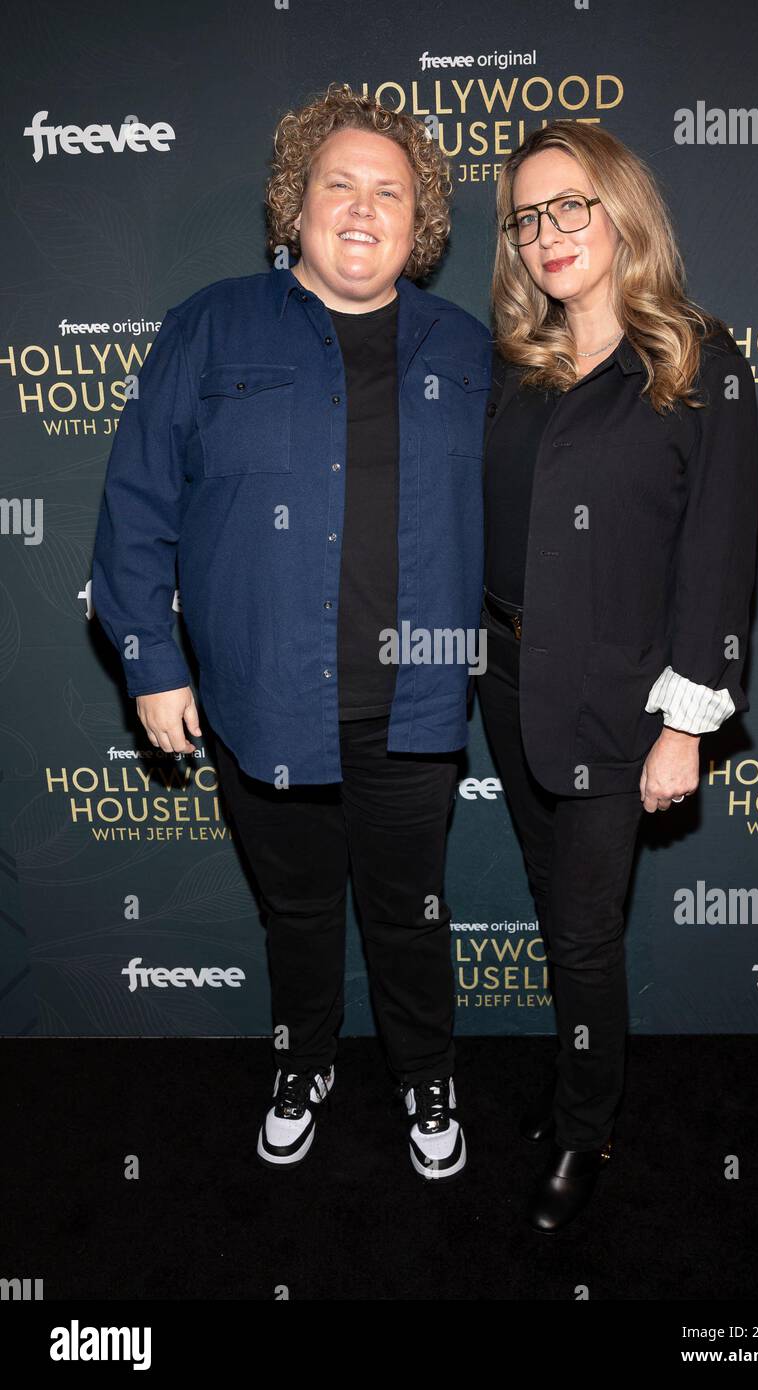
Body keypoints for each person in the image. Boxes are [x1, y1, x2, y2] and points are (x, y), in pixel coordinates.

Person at [91, 83, 492, 1182]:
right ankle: (299, 1060)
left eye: (389, 192)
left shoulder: (469, 350)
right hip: (261, 694)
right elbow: (135, 504)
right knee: (299, 912)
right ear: (294, 205)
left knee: (410, 916)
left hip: (414, 701)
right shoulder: (209, 326)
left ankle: (425, 1075)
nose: (362, 210)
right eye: (338, 186)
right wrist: (152, 661)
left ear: (422, 223)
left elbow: (523, 527)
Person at [478, 120, 758, 1231]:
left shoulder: (695, 356)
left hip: (623, 701)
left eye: (569, 205)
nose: (546, 233)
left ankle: (585, 1123)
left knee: (585, 929)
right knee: (554, 908)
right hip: (503, 680)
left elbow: (718, 555)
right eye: (525, 216)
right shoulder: (518, 365)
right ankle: (571, 1088)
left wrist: (683, 725)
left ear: (620, 209)